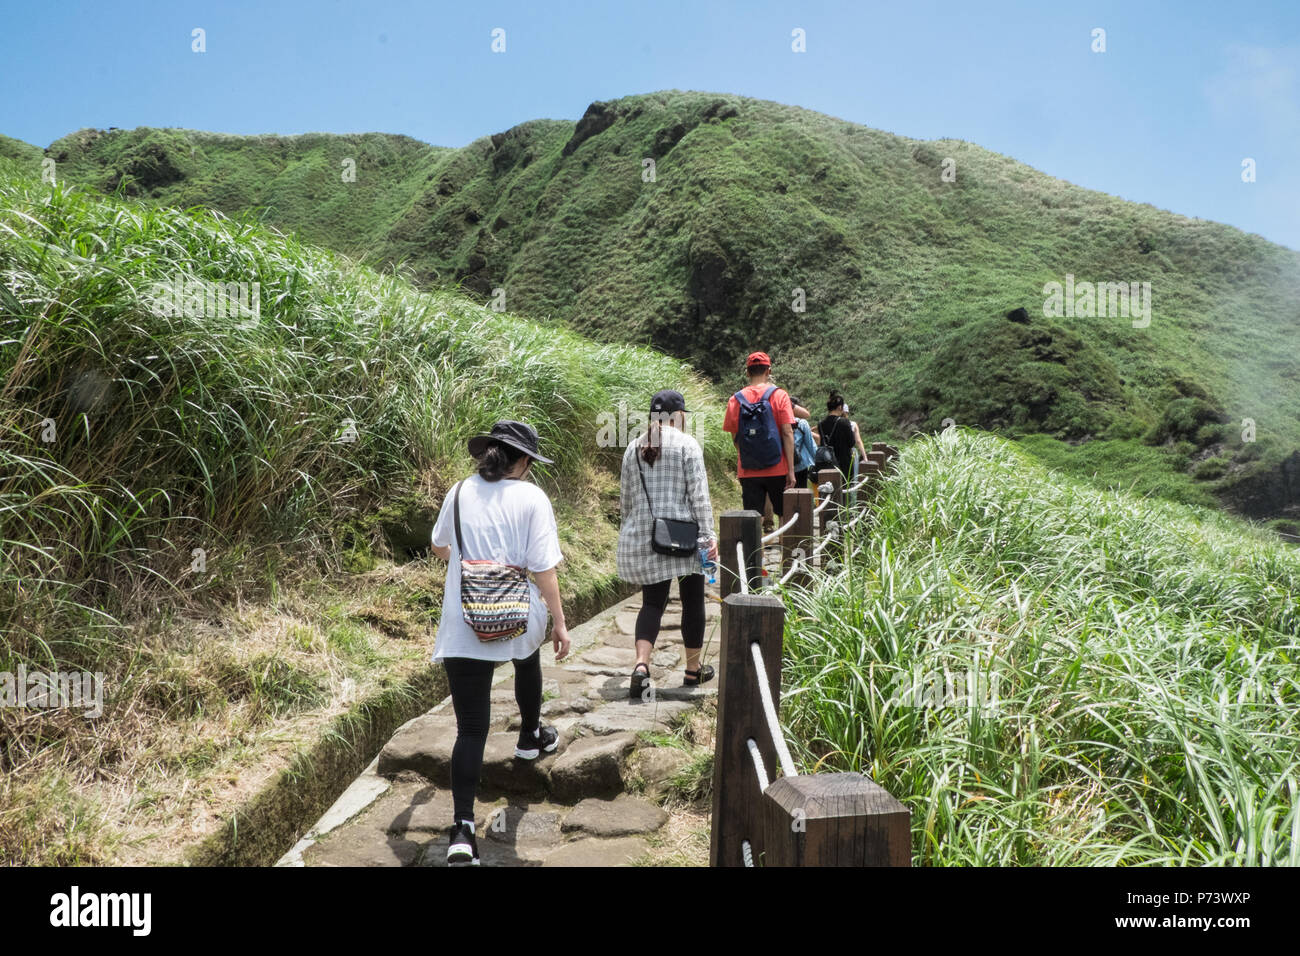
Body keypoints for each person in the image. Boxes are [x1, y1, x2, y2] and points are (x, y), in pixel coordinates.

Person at [429, 420, 570, 867]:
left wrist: (472, 559)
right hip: (516, 614)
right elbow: (543, 570)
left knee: (471, 728)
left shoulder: (458, 491)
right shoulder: (532, 498)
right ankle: (530, 735)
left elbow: (438, 547)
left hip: (463, 617)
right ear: (523, 460)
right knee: (527, 657)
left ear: (489, 454)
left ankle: (462, 831)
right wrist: (561, 623)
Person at [617, 390, 717, 699]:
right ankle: (692, 670)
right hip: (685, 539)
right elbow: (699, 497)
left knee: (651, 604)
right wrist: (709, 536)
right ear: (680, 416)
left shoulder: (633, 448)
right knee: (692, 600)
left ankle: (641, 666)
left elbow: (626, 501)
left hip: (650, 539)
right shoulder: (688, 445)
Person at [722, 351, 796, 521]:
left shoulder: (735, 399)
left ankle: (758, 548)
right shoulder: (779, 395)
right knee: (784, 515)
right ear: (768, 371)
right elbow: (787, 432)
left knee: (753, 519)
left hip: (748, 470)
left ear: (747, 373)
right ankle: (784, 547)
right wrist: (791, 470)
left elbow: (736, 438)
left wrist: (749, 455)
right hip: (778, 467)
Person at [815, 391, 868, 481]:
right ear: (840, 407)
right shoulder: (844, 422)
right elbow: (851, 442)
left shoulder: (820, 424)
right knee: (844, 489)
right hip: (844, 463)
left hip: (827, 462)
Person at [789, 395, 818, 489]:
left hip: (783, 468)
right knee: (801, 494)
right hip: (801, 465)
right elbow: (811, 446)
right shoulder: (802, 423)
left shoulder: (778, 422)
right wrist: (819, 463)